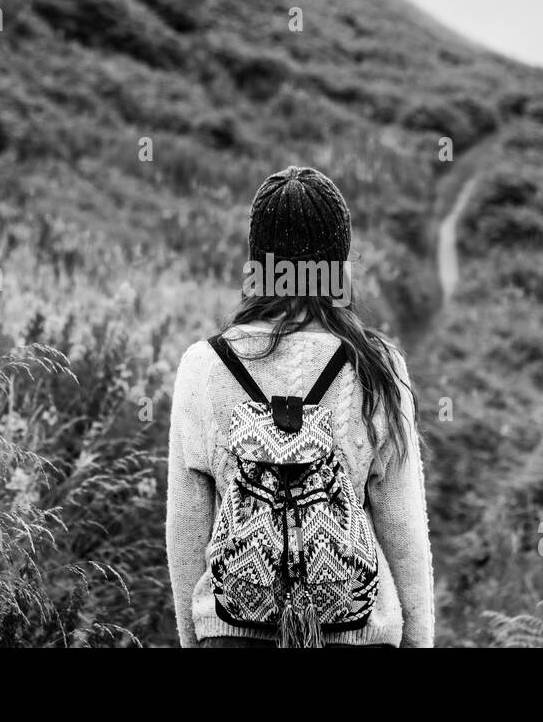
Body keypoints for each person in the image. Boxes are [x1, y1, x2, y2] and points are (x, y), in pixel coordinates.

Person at [165, 165, 435, 648]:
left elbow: (186, 536)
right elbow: (403, 532)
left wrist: (199, 637)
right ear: (339, 260)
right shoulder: (377, 367)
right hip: (356, 634)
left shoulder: (204, 367)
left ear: (257, 260)